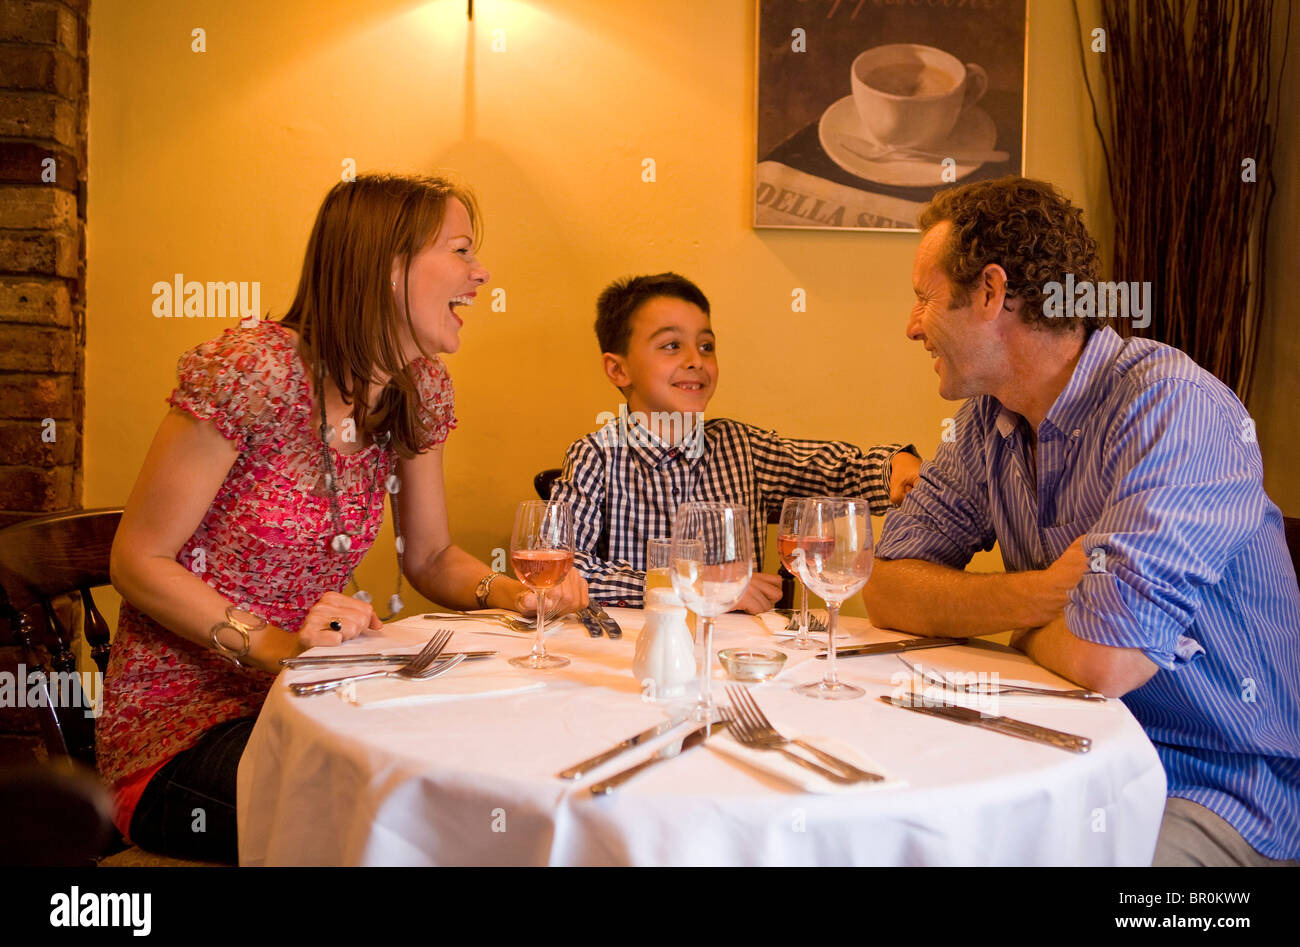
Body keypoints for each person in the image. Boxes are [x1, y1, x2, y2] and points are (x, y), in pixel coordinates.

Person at [102, 174, 588, 863]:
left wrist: (520, 595)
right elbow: (137, 560)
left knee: (485, 769)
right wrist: (275, 648)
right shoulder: (253, 370)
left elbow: (431, 557)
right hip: (185, 734)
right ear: (387, 268)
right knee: (428, 823)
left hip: (320, 703)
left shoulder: (417, 387)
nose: (480, 274)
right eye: (459, 251)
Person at [863, 175, 1300, 866]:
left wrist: (1015, 629)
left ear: (990, 293)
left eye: (924, 297)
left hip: (1211, 787)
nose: (912, 324)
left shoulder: (1174, 408)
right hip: (1060, 757)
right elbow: (887, 589)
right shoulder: (985, 423)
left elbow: (1106, 659)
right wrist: (1041, 596)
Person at [549, 272, 921, 611]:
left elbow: (837, 472)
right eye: (671, 346)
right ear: (618, 369)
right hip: (633, 655)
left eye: (706, 346)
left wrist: (893, 469)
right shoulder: (596, 455)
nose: (696, 360)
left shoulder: (744, 448)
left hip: (740, 656)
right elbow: (563, 569)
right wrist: (697, 585)